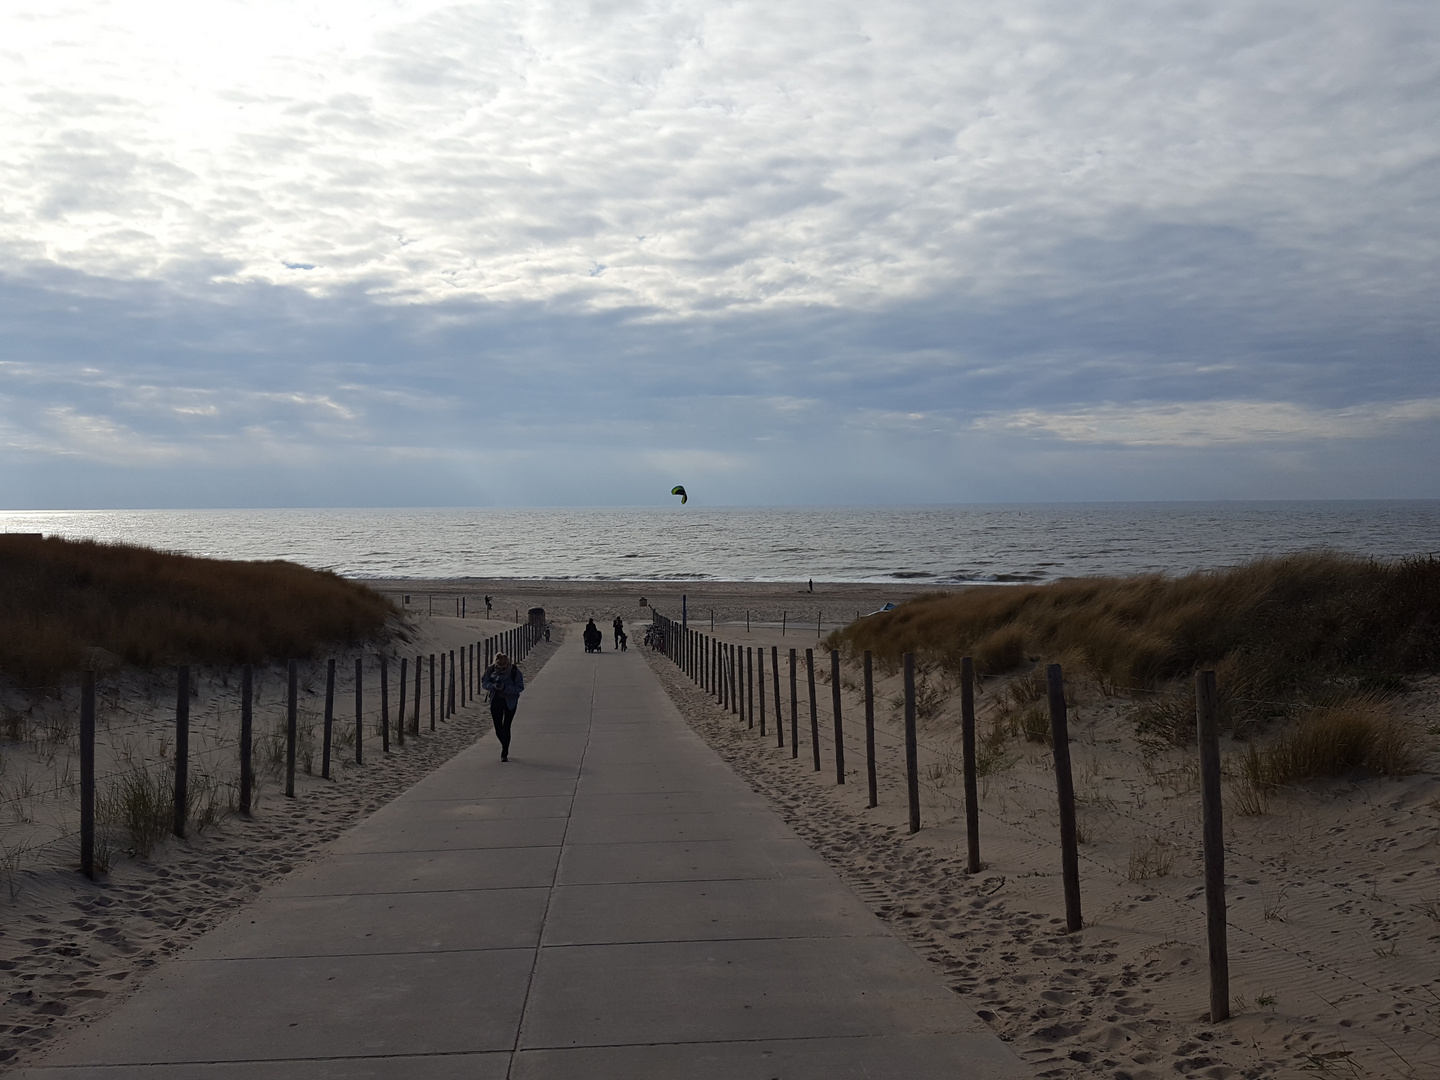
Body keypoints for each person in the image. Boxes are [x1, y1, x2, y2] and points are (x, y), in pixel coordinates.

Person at [480, 652, 525, 761]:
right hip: (496, 700)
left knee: (506, 726)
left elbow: (519, 687)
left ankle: (505, 751)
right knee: (498, 727)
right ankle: (504, 744)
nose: (500, 670)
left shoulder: (514, 671)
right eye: (499, 667)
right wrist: (493, 686)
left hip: (510, 702)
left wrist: (505, 688)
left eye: (503, 668)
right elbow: (484, 682)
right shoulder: (491, 669)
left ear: (507, 664)